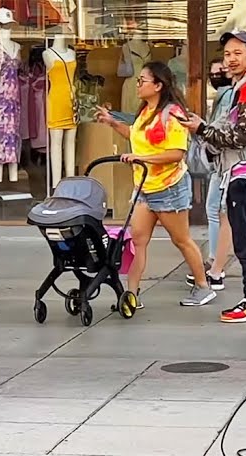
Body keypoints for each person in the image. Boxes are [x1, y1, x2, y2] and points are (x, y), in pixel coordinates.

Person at [95, 61, 215, 308]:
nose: (137, 85)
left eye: (142, 81)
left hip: (169, 187)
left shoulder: (172, 114)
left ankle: (203, 286)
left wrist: (141, 158)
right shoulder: (145, 111)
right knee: (138, 240)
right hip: (145, 188)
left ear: (158, 85)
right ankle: (131, 295)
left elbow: (176, 153)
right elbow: (136, 136)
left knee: (181, 239)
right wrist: (112, 123)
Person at [180, 30, 246, 323]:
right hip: (241, 173)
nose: (231, 59)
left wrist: (201, 129)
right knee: (245, 236)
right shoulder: (241, 86)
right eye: (227, 54)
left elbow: (240, 135)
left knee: (245, 240)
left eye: (238, 53)